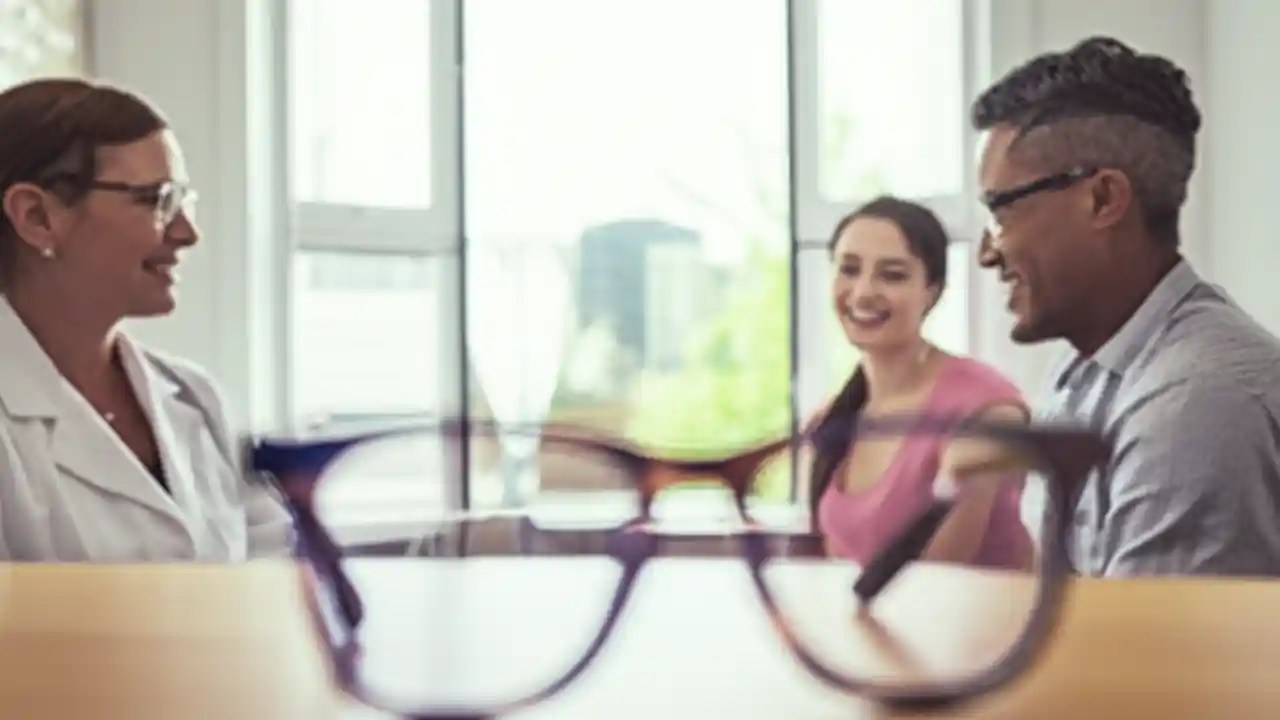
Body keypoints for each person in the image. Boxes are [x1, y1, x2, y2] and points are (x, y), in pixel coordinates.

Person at [971, 36, 1280, 576]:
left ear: (1103, 199)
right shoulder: (1087, 366)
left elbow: (1151, 660)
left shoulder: (1198, 400)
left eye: (1002, 211)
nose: (986, 252)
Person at [0, 78, 293, 561]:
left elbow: (274, 565)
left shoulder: (196, 399)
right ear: (36, 217)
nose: (186, 232)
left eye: (182, 200)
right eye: (157, 200)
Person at [809, 196, 1032, 570]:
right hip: (873, 626)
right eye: (849, 269)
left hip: (980, 626)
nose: (863, 292)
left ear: (932, 290)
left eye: (892, 275)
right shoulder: (827, 422)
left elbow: (940, 578)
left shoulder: (986, 409)